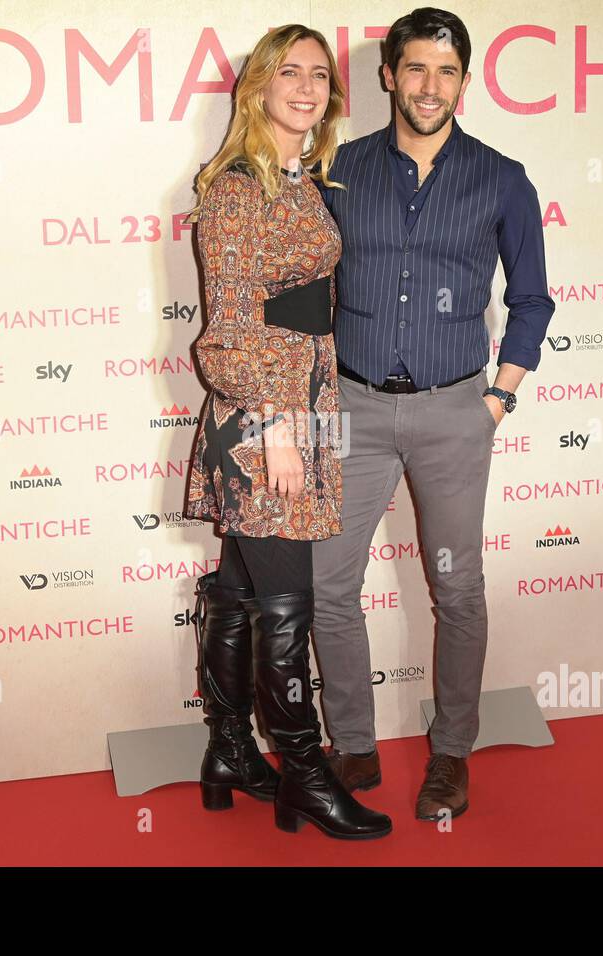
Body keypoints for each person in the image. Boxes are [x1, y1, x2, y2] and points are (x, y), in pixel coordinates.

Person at [312, 8, 556, 821]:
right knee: (328, 585)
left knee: (458, 592)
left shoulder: (501, 178)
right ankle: (351, 744)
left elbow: (531, 301)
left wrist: (498, 398)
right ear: (388, 75)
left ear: (464, 80)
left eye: (446, 71)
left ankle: (452, 753)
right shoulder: (338, 170)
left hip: (456, 410)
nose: (429, 86)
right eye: (415, 69)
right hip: (351, 405)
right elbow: (306, 287)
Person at [184, 24, 392, 840]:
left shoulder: (301, 177)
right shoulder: (235, 187)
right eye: (290, 73)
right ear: (258, 87)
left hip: (308, 394)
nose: (307, 87)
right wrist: (273, 427)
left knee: (240, 588)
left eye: (319, 75)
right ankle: (304, 772)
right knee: (286, 600)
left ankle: (231, 751)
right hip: (263, 413)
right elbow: (227, 328)